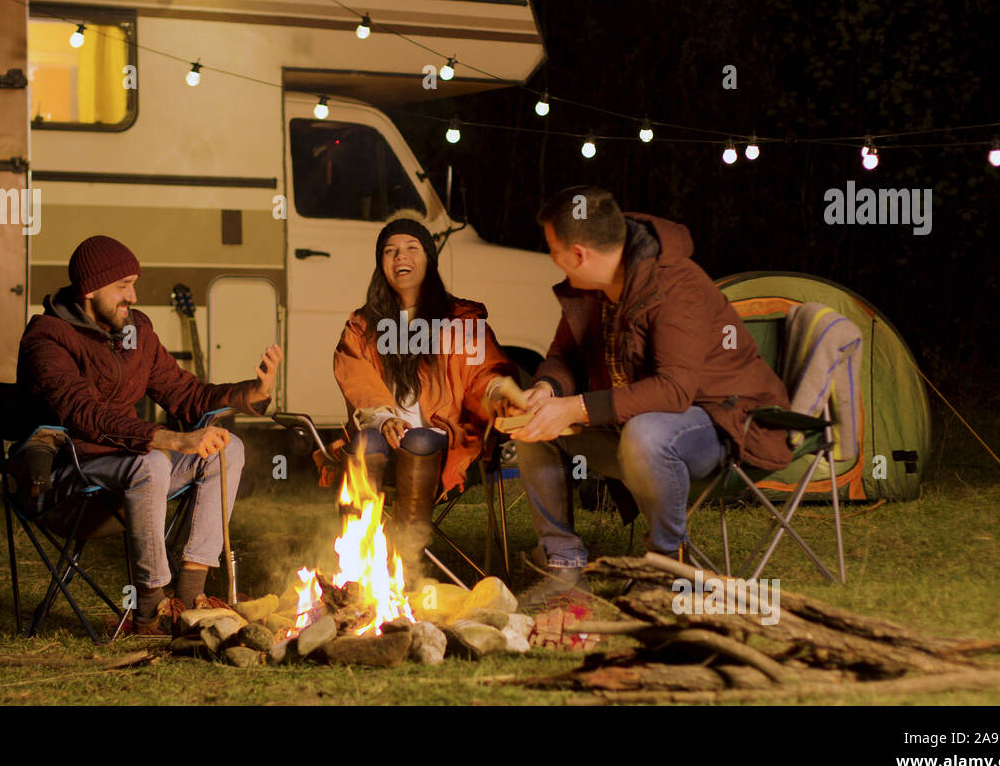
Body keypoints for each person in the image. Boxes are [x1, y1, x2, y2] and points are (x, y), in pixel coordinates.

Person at [507, 187, 794, 610]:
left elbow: (674, 390)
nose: (552, 259)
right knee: (534, 430)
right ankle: (564, 566)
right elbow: (565, 356)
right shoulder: (590, 288)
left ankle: (667, 569)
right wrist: (547, 390)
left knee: (647, 433)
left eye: (554, 250)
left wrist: (577, 408)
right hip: (630, 426)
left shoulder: (676, 285)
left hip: (724, 422)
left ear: (579, 254)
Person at [17, 235, 282, 634]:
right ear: (90, 289)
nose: (133, 296)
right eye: (123, 286)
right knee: (153, 461)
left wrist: (249, 394)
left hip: (131, 476)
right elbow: (83, 414)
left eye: (134, 284)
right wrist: (172, 439)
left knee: (227, 448)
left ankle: (190, 597)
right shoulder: (47, 338)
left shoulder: (135, 331)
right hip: (69, 480)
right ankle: (151, 609)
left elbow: (185, 394)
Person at [333, 215, 518, 574]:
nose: (400, 256)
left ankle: (405, 564)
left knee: (417, 439)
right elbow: (356, 377)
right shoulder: (362, 325)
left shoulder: (461, 319)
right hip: (385, 436)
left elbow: (484, 372)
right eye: (389, 251)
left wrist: (498, 389)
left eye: (411, 248)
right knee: (364, 443)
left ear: (429, 260)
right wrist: (383, 418)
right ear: (381, 265)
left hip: (446, 439)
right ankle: (357, 566)